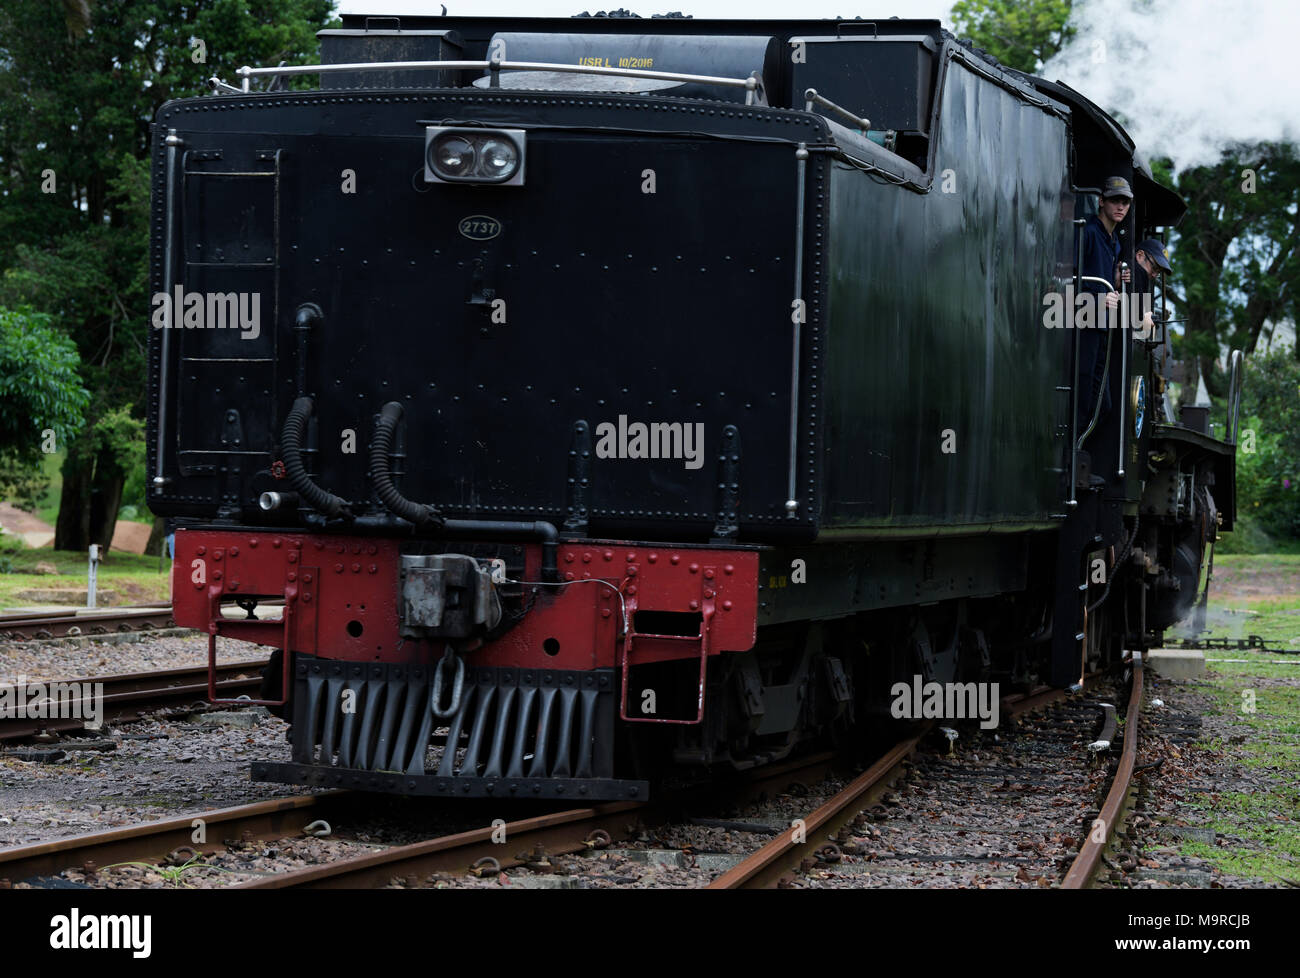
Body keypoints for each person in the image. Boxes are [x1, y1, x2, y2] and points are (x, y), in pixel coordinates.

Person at [1075, 176, 1132, 441]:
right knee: (1083, 399)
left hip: (1100, 327)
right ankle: (1071, 458)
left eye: (1125, 202)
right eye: (1115, 201)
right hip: (1081, 325)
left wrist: (1116, 280)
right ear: (1101, 201)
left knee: (1103, 404)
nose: (1121, 207)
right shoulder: (1086, 232)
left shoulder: (1114, 242)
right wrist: (1099, 299)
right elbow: (1064, 279)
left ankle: (1078, 456)